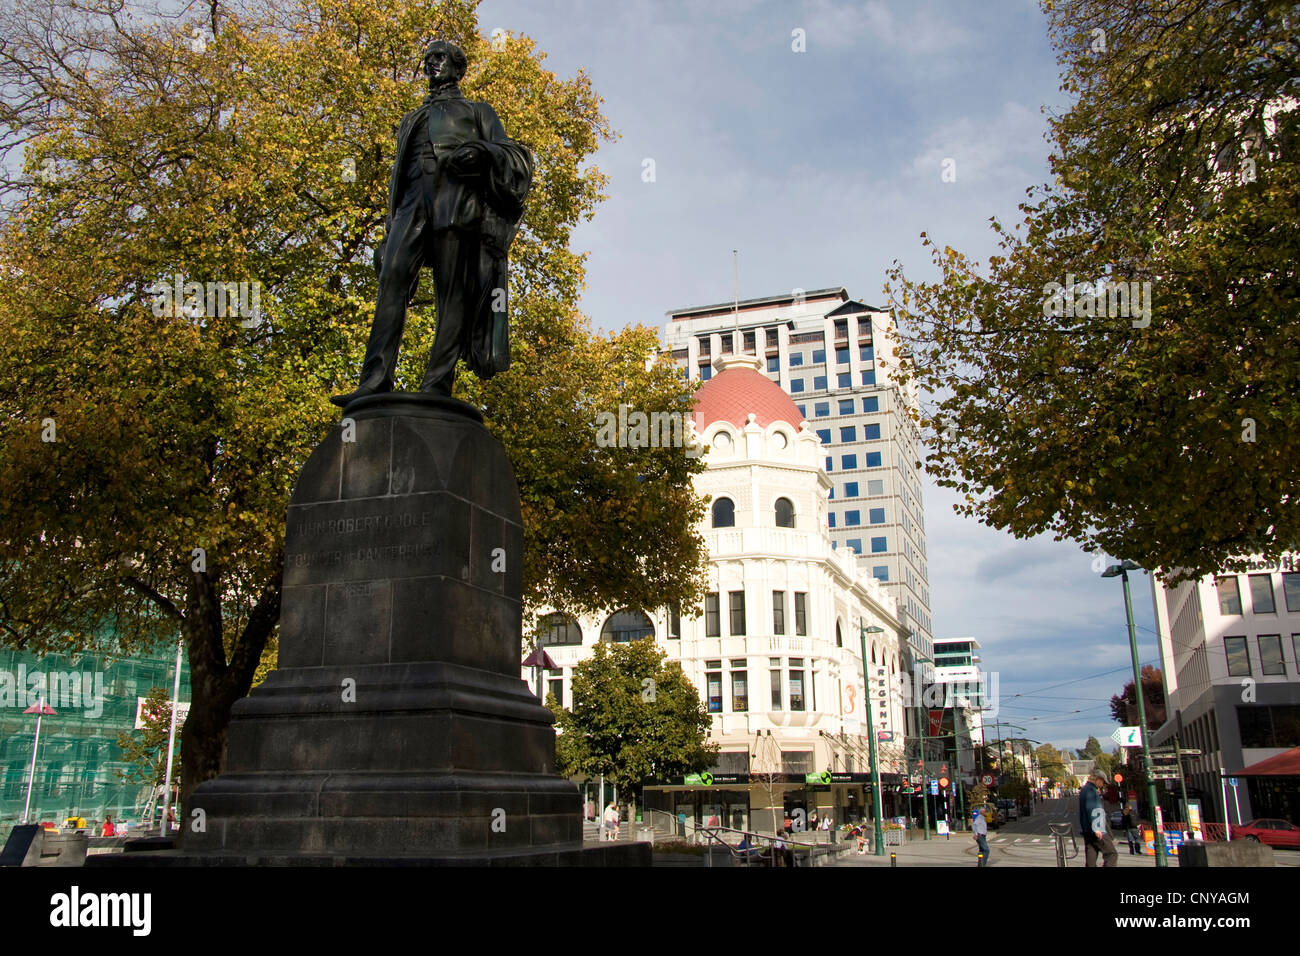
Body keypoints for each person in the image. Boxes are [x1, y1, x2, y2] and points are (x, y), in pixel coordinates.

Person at [332, 40, 533, 407]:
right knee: (391, 280)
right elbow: (398, 180)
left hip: (455, 203)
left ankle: (437, 385)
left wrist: (482, 151)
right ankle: (374, 380)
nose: (431, 64)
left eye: (439, 58)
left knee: (452, 293)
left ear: (458, 67)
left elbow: (514, 155)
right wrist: (390, 229)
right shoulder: (412, 118)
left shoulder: (477, 111)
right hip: (411, 207)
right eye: (427, 60)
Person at [1079, 770, 1119, 867]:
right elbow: (1093, 809)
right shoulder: (1091, 791)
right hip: (1096, 829)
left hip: (1087, 830)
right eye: (1103, 782)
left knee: (1091, 854)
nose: (1103, 785)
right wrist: (1097, 828)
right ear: (1098, 779)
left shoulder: (1084, 789)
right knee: (1112, 854)